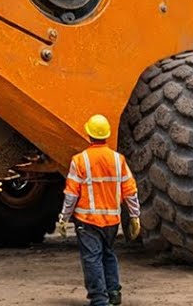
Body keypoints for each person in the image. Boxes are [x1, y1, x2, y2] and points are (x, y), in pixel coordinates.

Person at [57, 114, 141, 306]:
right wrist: (135, 216)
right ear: (107, 135)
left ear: (88, 135)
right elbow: (130, 190)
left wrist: (63, 218)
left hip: (87, 222)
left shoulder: (80, 161)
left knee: (92, 259)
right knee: (108, 254)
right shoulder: (117, 159)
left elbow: (71, 195)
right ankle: (113, 293)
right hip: (112, 222)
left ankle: (99, 300)